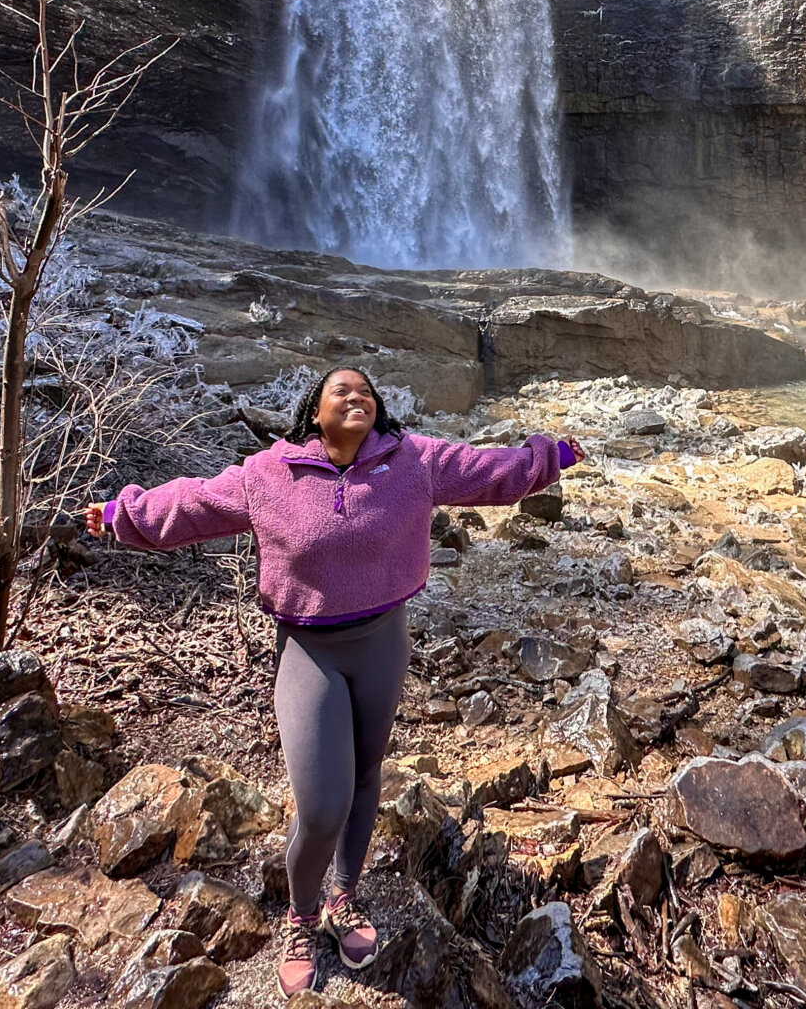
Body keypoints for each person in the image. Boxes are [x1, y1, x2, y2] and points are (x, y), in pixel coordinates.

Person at [83, 365, 577, 997]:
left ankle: (345, 895)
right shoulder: (271, 474)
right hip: (309, 650)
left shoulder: (411, 460)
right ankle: (302, 913)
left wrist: (548, 456)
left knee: (366, 775)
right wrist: (124, 515)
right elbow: (196, 503)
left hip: (382, 643)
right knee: (321, 806)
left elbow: (486, 471)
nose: (356, 395)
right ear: (312, 412)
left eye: (366, 390)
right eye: (340, 389)